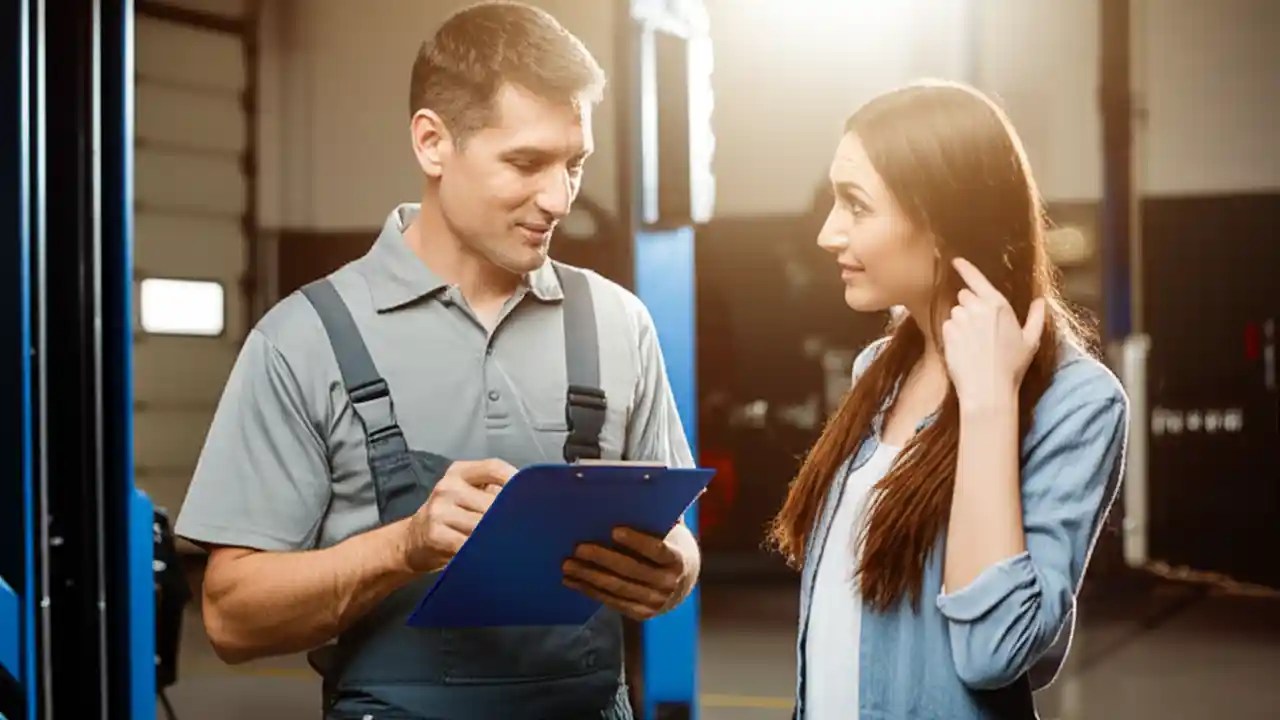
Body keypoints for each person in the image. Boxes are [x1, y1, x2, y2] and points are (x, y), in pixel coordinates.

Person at [174, 3, 701, 718]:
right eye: (525, 162)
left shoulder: (616, 324)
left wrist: (672, 573)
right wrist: (405, 546)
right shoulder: (303, 340)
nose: (559, 198)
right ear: (432, 142)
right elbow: (231, 618)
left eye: (574, 165)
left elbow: (679, 545)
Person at [768, 80, 1130, 719]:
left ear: (940, 222)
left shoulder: (1077, 404)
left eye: (856, 206)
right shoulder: (876, 370)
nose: (828, 233)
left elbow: (995, 650)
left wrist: (990, 403)